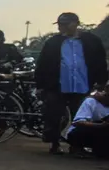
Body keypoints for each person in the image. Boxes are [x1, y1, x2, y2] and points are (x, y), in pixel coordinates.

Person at [36, 12, 108, 155]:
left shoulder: (91, 41)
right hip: (57, 85)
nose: (61, 28)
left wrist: (101, 81)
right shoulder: (53, 43)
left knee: (80, 116)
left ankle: (77, 145)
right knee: (54, 115)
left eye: (65, 24)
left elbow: (100, 62)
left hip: (83, 84)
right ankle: (54, 143)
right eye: (60, 25)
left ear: (75, 23)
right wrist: (40, 85)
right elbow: (42, 64)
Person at [66, 89, 109, 157]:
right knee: (81, 129)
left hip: (102, 135)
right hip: (87, 131)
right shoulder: (91, 101)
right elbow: (78, 122)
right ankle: (76, 147)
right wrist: (101, 125)